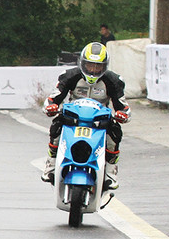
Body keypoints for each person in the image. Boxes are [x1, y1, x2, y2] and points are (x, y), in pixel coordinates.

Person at [42, 42, 130, 189]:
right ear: (82, 63)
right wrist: (51, 106)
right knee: (56, 124)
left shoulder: (114, 81)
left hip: (100, 121)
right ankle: (50, 165)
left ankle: (110, 172)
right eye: (90, 65)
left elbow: (123, 106)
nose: (93, 70)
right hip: (73, 118)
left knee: (115, 132)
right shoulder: (69, 76)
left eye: (98, 66)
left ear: (105, 66)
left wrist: (122, 114)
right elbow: (53, 98)